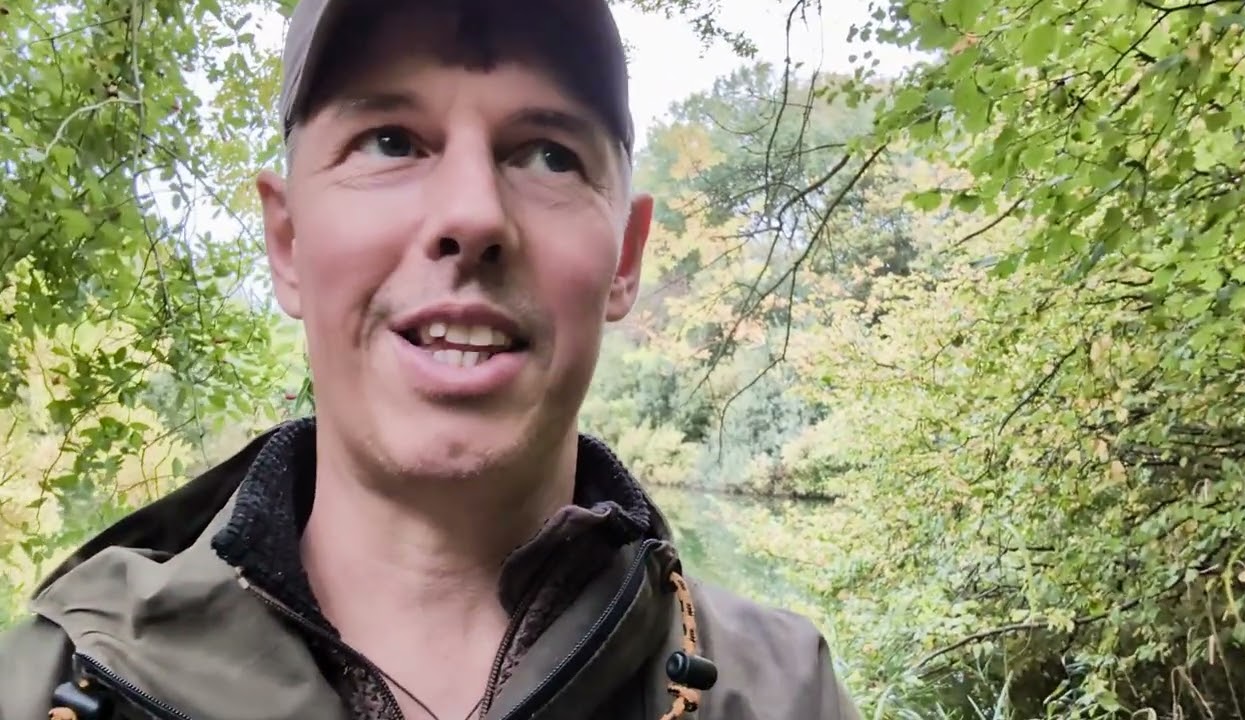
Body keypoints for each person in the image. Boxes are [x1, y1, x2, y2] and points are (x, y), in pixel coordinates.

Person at [0, 0, 858, 717]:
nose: (474, 213)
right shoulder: (52, 684)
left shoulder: (783, 692)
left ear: (624, 259)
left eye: (548, 154)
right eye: (390, 141)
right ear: (288, 241)